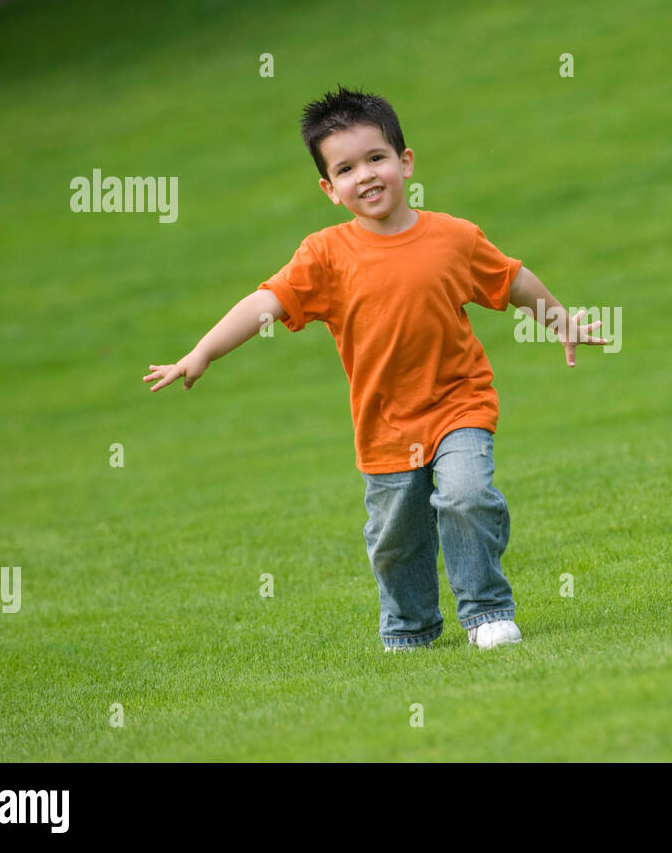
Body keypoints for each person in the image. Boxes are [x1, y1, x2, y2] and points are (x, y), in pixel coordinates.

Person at [143, 86, 608, 651]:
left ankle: (487, 612)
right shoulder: (325, 255)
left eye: (376, 158)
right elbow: (263, 303)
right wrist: (203, 351)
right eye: (345, 168)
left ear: (405, 162)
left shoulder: (453, 238)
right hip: (384, 423)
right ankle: (410, 629)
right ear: (329, 189)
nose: (364, 175)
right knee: (397, 538)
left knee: (466, 497)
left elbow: (512, 280)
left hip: (460, 404)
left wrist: (558, 319)